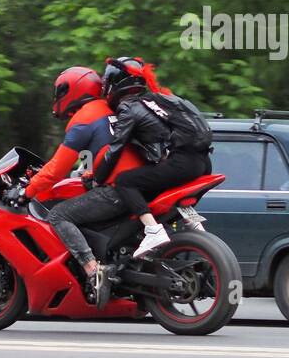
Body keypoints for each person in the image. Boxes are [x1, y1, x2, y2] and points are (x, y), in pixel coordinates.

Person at [17, 66, 144, 307]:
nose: (58, 98)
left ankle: (92, 270)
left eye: (60, 92)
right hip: (140, 182)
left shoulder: (85, 118)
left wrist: (27, 191)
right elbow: (111, 151)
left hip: (118, 190)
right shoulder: (110, 110)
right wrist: (92, 174)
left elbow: (56, 169)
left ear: (71, 90)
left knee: (59, 215)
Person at [91, 56, 213, 258]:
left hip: (181, 163)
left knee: (125, 181)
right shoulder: (153, 101)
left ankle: (152, 230)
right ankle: (193, 226)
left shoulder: (129, 107)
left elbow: (115, 148)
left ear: (115, 84)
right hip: (202, 161)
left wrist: (98, 178)